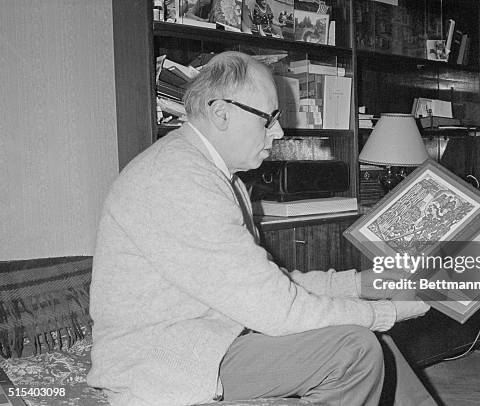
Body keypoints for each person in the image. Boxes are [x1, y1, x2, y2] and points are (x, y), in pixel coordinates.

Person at [87, 51, 435, 406]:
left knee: (377, 342)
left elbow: (267, 284)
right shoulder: (179, 179)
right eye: (267, 119)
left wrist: (361, 284)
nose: (279, 132)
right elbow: (276, 308)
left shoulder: (218, 175)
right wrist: (390, 312)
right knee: (356, 347)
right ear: (221, 112)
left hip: (213, 336)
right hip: (167, 359)